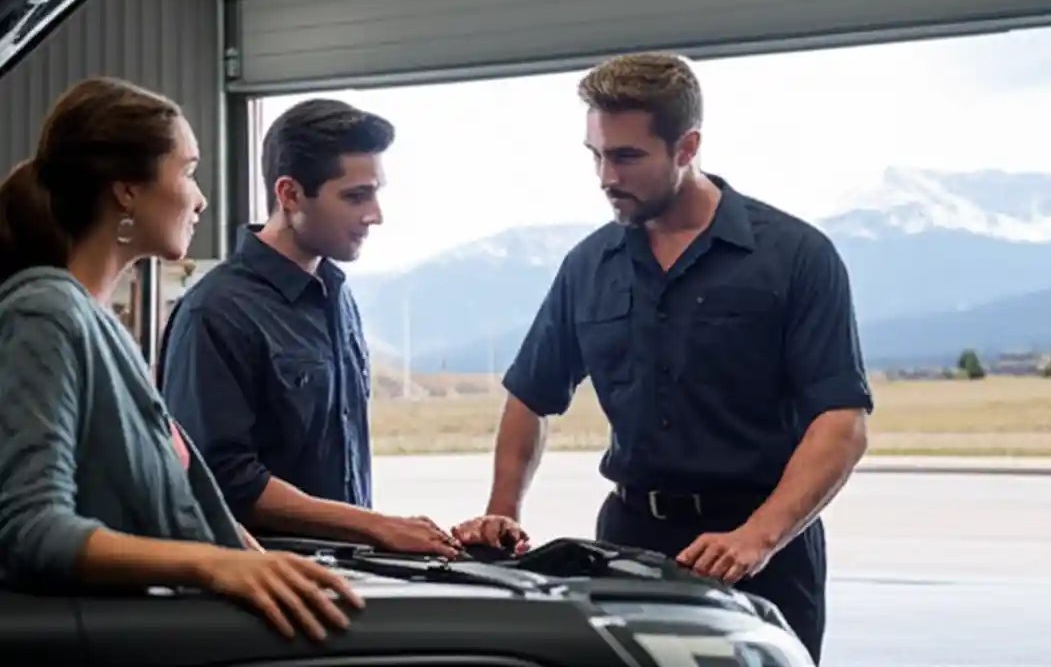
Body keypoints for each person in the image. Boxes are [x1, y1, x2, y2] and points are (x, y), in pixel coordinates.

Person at [479, 52, 872, 663]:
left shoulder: (797, 256)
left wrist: (757, 537)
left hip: (763, 550)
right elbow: (531, 395)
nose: (606, 176)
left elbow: (842, 423)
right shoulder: (588, 266)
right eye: (596, 155)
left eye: (627, 157)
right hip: (629, 546)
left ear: (686, 147)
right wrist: (502, 513)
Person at [0, 76, 363, 643]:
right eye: (187, 171)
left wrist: (248, 553)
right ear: (127, 191)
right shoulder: (46, 313)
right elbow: (30, 530)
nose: (200, 198)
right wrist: (209, 565)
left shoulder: (104, 331)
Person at [160, 98, 525, 558]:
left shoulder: (338, 296)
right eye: (355, 196)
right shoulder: (214, 312)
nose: (375, 214)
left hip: (348, 575)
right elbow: (220, 480)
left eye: (376, 193)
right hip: (268, 591)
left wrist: (381, 534)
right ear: (290, 194)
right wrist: (376, 527)